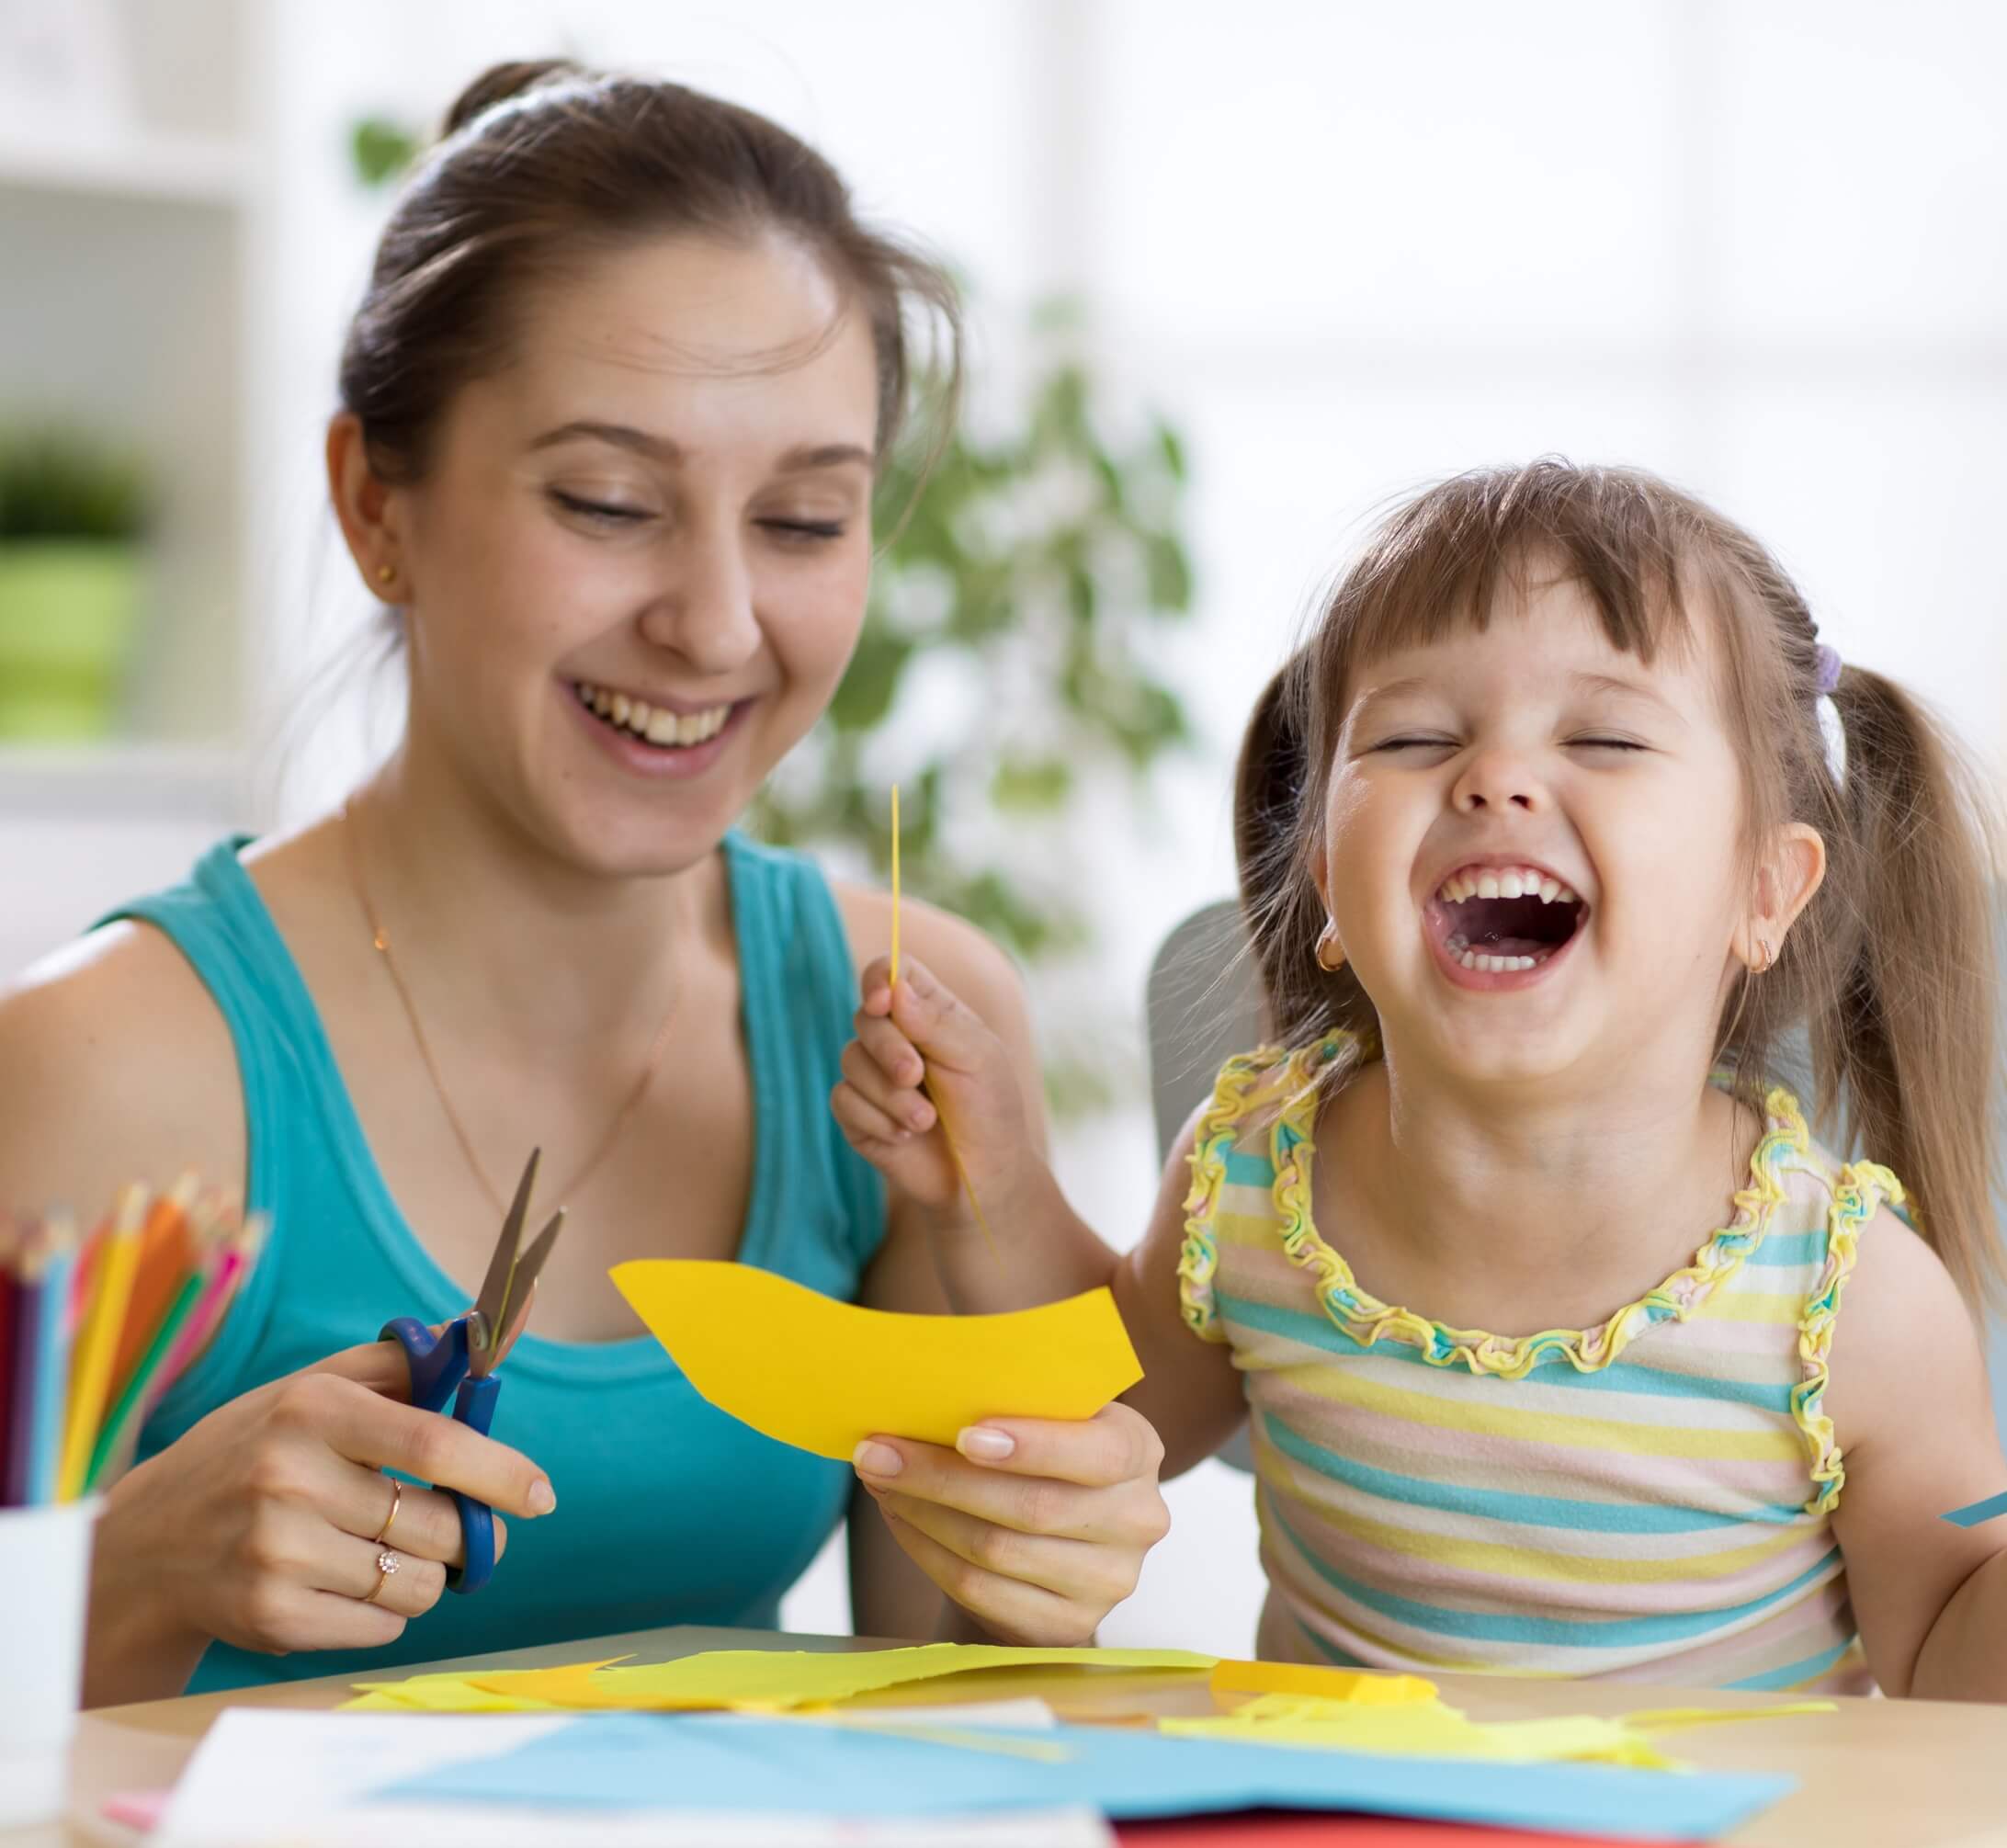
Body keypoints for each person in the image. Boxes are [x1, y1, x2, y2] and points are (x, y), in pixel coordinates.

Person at [0, 60, 1167, 1706]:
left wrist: (1043, 1568)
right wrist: (120, 1578)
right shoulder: (105, 1067)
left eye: (807, 520)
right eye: (609, 503)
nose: (714, 621)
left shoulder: (899, 1017)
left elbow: (950, 1712)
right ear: (373, 506)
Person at [837, 458, 2007, 1698]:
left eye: (1604, 737)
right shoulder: (1250, 1176)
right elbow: (1108, 1406)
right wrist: (991, 1184)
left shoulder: (1847, 1294)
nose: (1492, 778)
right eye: (1414, 737)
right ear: (1329, 882)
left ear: (1763, 891)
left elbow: (1940, 1644)